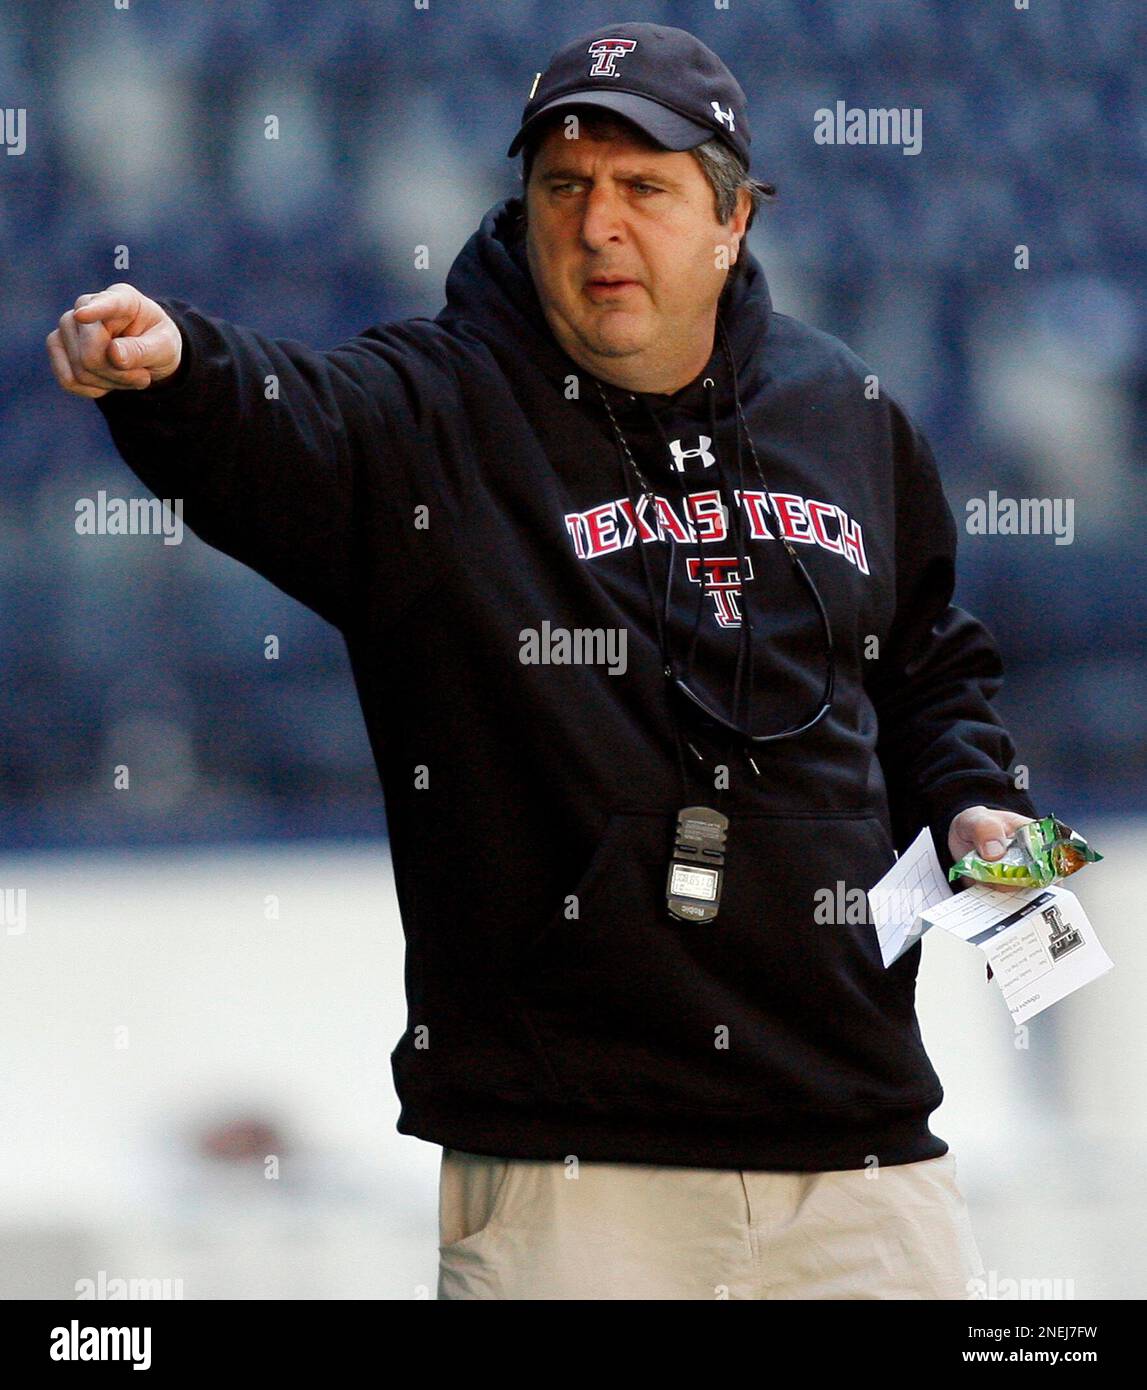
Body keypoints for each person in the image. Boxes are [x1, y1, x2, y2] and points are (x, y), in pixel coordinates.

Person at [46, 21, 1040, 1299]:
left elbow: (927, 664)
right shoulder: (434, 413)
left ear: (732, 222)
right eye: (563, 187)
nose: (597, 224)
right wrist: (172, 367)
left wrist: (976, 799)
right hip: (575, 1180)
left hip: (860, 1159)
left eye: (645, 187)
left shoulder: (841, 408)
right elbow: (280, 422)